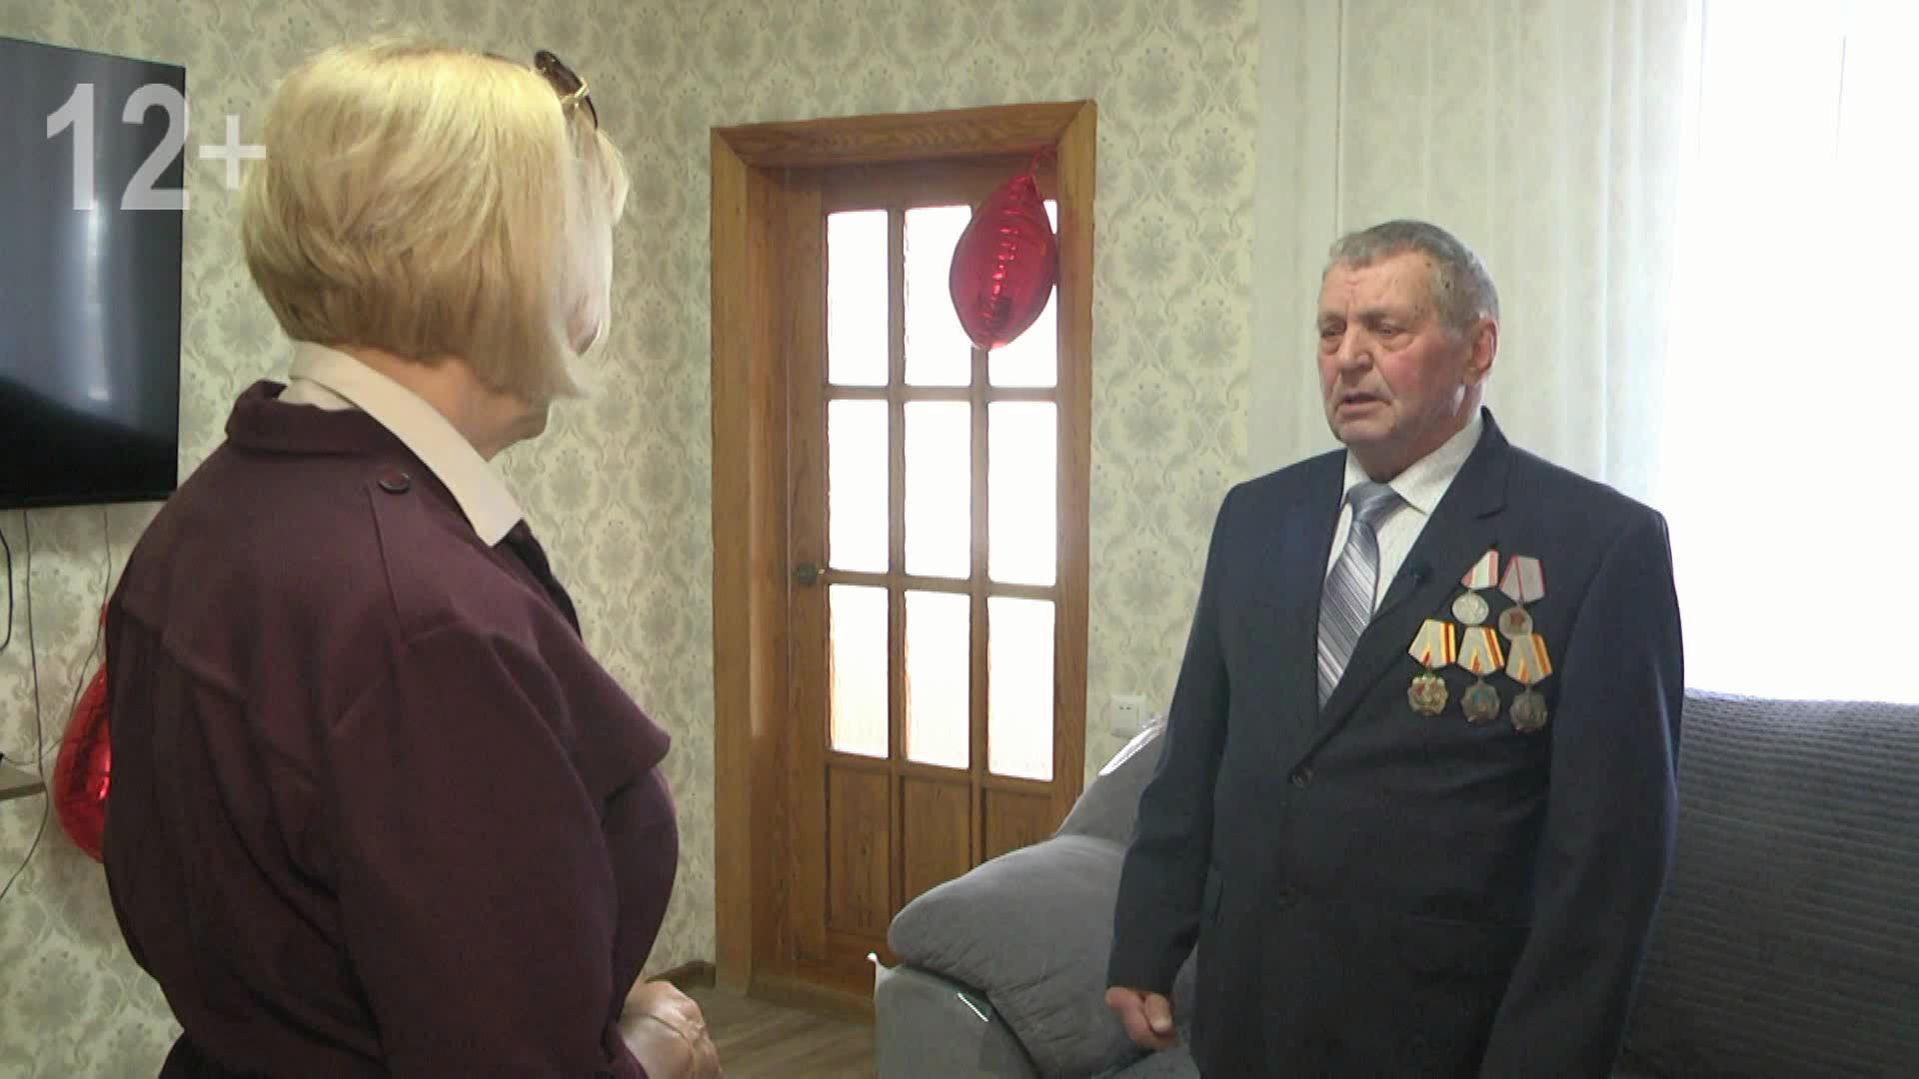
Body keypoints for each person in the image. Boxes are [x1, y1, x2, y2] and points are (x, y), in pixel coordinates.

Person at [101, 41, 719, 1078]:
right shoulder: (424, 627)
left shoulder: (211, 513)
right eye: (585, 234)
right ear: (504, 265)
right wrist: (653, 1050)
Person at [1104, 220, 1684, 1076]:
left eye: (1386, 328)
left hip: (1440, 1029)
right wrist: (1146, 939)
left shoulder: (1596, 545)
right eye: (1330, 330)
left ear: (1477, 348)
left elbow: (1607, 865)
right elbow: (1195, 750)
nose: (1348, 357)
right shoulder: (1256, 517)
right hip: (1249, 1012)